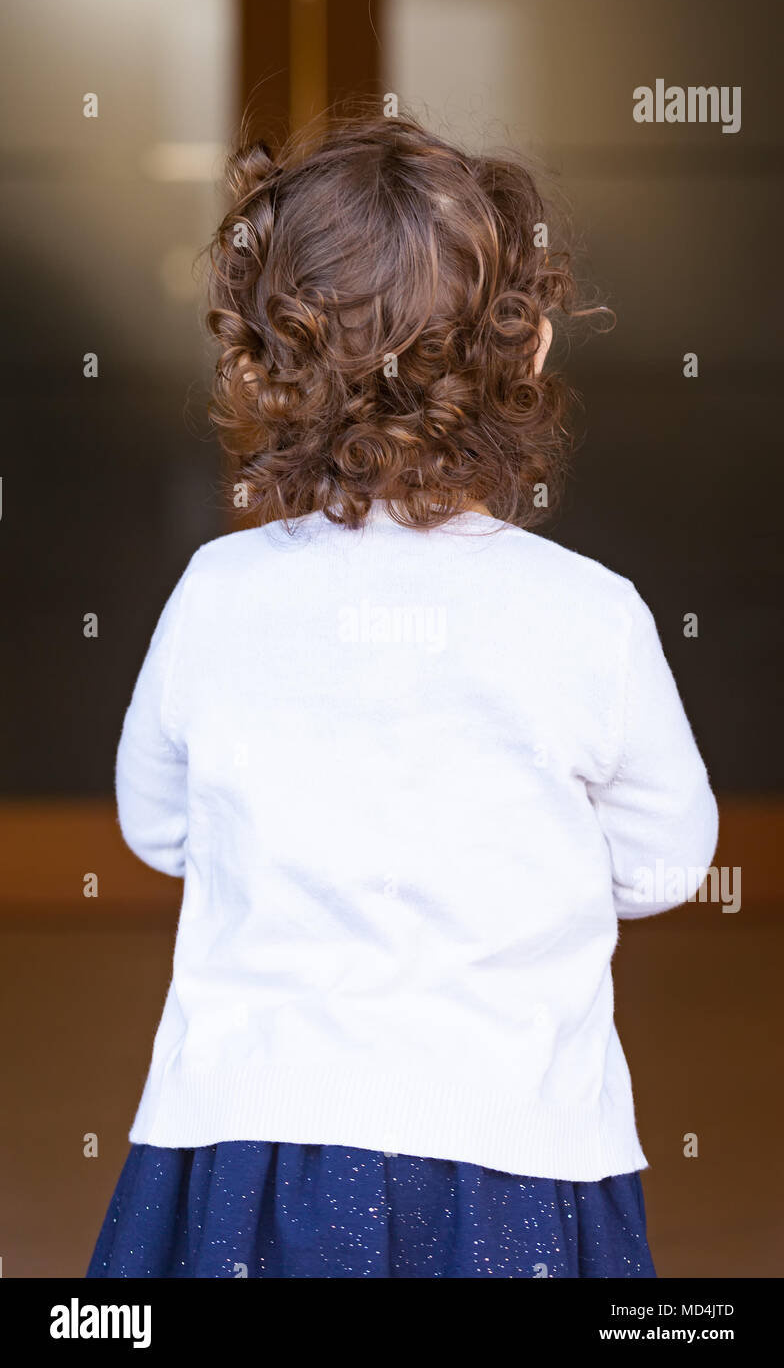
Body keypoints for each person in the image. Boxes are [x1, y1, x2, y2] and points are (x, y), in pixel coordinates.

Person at [86, 112, 718, 1278]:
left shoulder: (219, 593)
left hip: (247, 1139)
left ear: (261, 361)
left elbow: (157, 825)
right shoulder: (589, 613)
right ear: (525, 354)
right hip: (513, 1150)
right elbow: (670, 860)